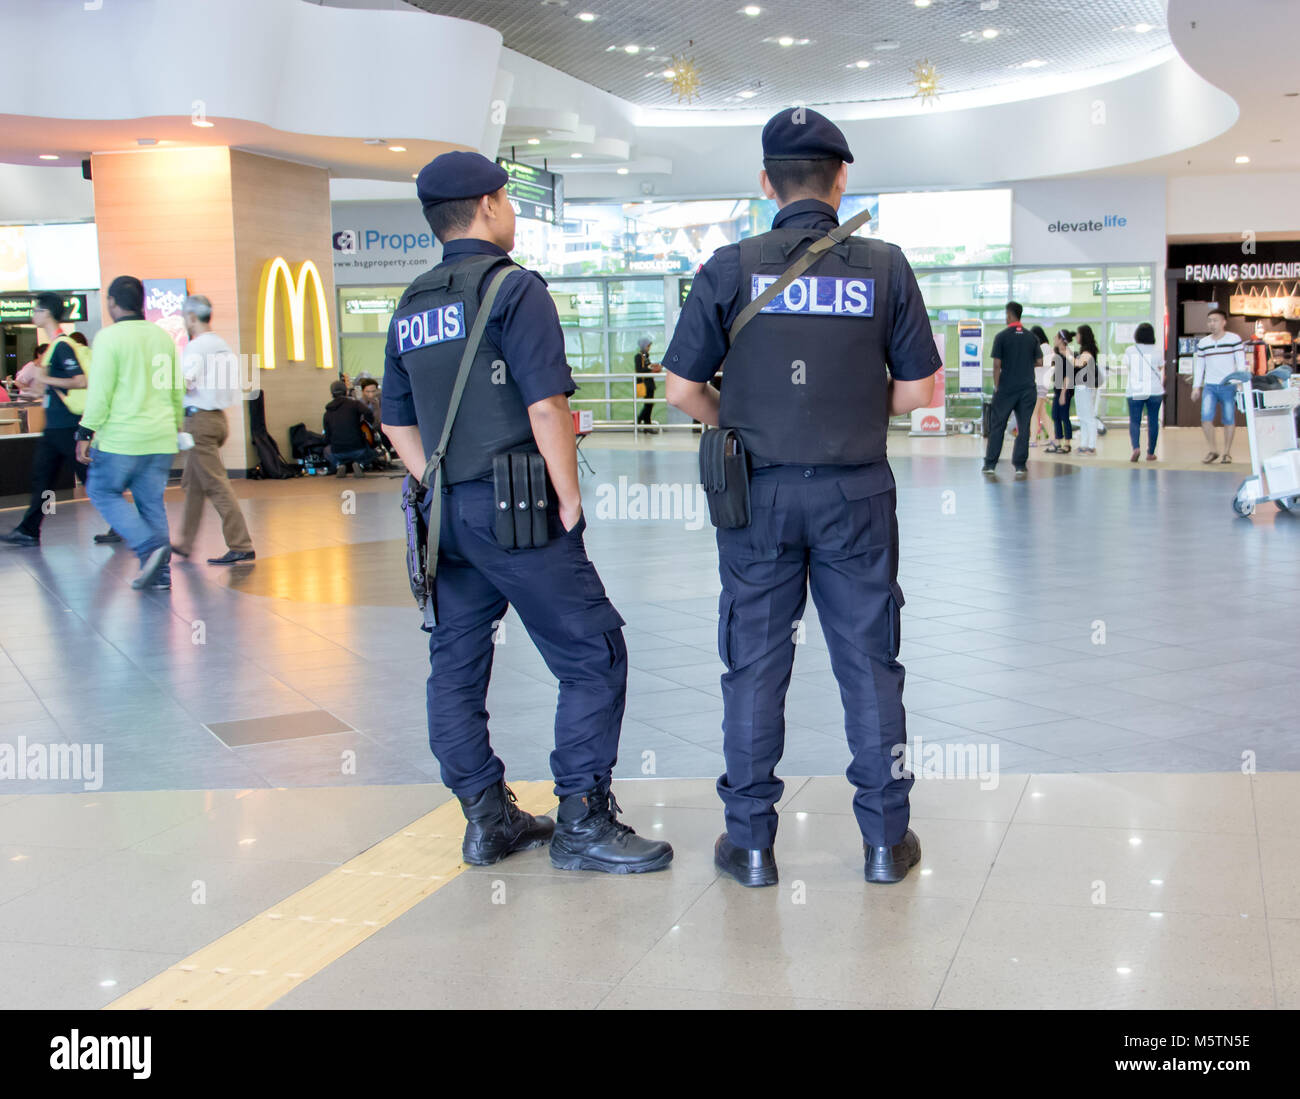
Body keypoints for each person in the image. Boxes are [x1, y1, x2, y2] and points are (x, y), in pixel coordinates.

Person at [664, 107, 939, 888]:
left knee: (753, 666)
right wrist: (854, 408)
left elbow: (682, 387)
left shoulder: (729, 265)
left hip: (757, 495)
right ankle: (886, 841)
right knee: (869, 662)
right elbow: (919, 388)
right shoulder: (884, 266)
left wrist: (740, 422)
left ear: (765, 184)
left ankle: (750, 845)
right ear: (841, 177)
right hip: (857, 493)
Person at [381, 149, 672, 874]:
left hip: (448, 519)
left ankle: (486, 819)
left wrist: (439, 484)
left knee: (455, 666)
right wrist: (568, 496)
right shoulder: (514, 289)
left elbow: (394, 421)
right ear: (487, 204)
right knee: (591, 652)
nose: (511, 212)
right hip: (519, 507)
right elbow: (546, 404)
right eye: (508, 200)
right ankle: (581, 819)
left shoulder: (412, 303)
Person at [75, 275, 182, 590]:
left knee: (101, 491)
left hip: (122, 438)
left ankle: (148, 548)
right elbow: (174, 387)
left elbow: (100, 391)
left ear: (111, 302)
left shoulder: (108, 338)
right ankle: (161, 575)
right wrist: (174, 423)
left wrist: (85, 430)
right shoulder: (162, 337)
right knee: (151, 502)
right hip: (160, 436)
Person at [170, 295, 255, 565]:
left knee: (217, 485)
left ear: (192, 317)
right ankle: (184, 541)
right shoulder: (222, 346)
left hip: (199, 422)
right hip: (218, 419)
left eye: (185, 317)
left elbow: (183, 382)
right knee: (194, 484)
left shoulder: (196, 348)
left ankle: (241, 543)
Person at [1, 294, 89, 547]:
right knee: (43, 477)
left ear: (46, 312)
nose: (33, 314)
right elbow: (53, 387)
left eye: (36, 309)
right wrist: (37, 391)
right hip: (55, 428)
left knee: (92, 479)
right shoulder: (53, 347)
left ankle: (126, 524)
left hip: (66, 426)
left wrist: (47, 381)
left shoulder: (62, 345)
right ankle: (28, 530)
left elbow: (80, 381)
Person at [981, 301, 1042, 479]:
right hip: (1027, 389)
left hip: (1006, 388)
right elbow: (1039, 362)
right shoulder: (1031, 337)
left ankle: (990, 464)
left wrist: (997, 386)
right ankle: (1020, 465)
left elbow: (996, 365)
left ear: (1009, 315)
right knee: (1024, 428)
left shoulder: (1002, 336)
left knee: (998, 425)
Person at [1192, 308, 1245, 464]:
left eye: (1215, 320)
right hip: (1210, 386)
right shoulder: (1204, 343)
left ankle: (1227, 453)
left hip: (1229, 385)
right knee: (1205, 418)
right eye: (1209, 321)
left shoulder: (1234, 339)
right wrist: (1196, 387)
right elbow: (1199, 365)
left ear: (1224, 322)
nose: (1211, 324)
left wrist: (1240, 383)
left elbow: (1240, 362)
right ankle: (1213, 450)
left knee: (1228, 419)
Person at [1124, 322, 1164, 462]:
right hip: (1154, 390)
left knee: (1135, 421)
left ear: (1137, 335)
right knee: (1153, 421)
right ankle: (1150, 453)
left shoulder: (1130, 350)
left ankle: (1136, 448)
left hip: (1135, 390)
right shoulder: (1157, 351)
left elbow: (1128, 367)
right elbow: (1160, 368)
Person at [322, 379, 377, 477]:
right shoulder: (355, 404)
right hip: (358, 449)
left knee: (326, 450)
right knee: (374, 452)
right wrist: (367, 424)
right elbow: (368, 412)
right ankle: (360, 463)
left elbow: (327, 437)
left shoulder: (327, 412)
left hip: (337, 451)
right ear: (346, 391)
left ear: (331, 394)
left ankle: (339, 465)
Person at [1073, 324, 1103, 455]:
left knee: (1088, 417)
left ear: (1083, 336)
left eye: (1078, 334)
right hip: (1081, 387)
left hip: (1085, 387)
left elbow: (1078, 364)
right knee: (1083, 417)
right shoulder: (1084, 351)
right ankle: (1084, 444)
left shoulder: (1087, 352)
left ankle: (1091, 446)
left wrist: (1066, 353)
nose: (1076, 337)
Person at [1045, 329, 1075, 454]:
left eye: (1056, 337)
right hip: (1058, 389)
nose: (1054, 339)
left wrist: (1063, 393)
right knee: (1055, 415)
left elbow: (1068, 376)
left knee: (1064, 416)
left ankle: (1067, 444)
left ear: (1062, 340)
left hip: (1065, 390)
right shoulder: (1058, 353)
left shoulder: (1068, 354)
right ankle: (1058, 442)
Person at [1029, 324, 1052, 446]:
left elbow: (1039, 363)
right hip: (1044, 383)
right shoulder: (1048, 347)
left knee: (1033, 413)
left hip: (1038, 383)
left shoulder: (1042, 348)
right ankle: (1052, 437)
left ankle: (1033, 439)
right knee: (1042, 413)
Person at [634, 336, 661, 429]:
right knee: (648, 404)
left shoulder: (646, 356)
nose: (649, 348)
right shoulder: (638, 356)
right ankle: (639, 420)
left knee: (649, 404)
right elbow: (639, 370)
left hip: (650, 383)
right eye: (648, 346)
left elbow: (646, 367)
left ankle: (647, 426)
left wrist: (652, 366)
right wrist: (650, 368)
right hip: (645, 383)